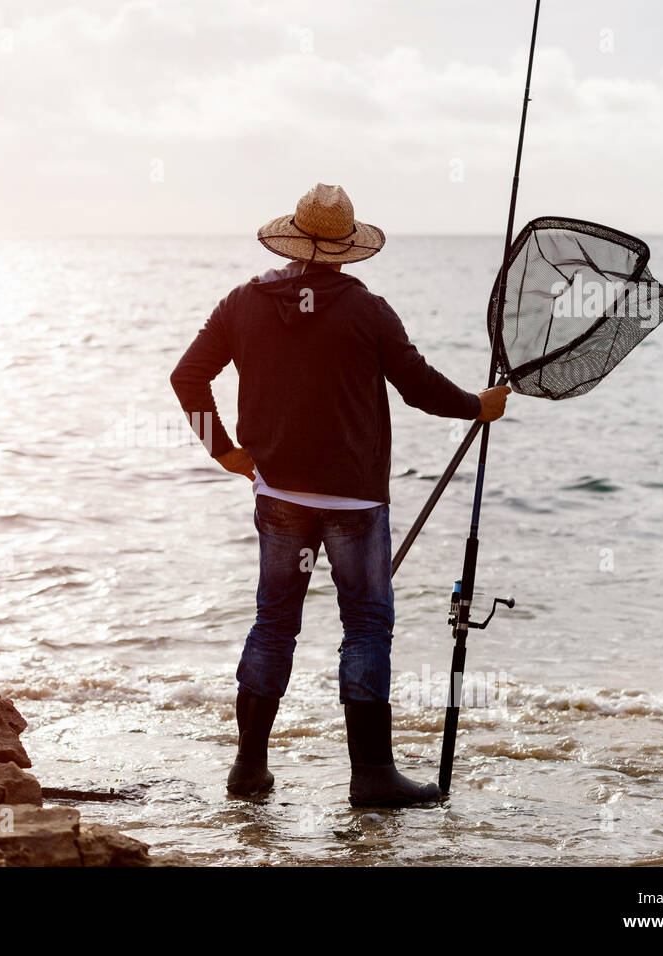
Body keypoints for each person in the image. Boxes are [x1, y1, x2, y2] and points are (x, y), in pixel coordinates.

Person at [169, 183, 510, 807]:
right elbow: (417, 387)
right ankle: (371, 776)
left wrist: (223, 450)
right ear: (348, 248)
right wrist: (477, 407)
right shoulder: (366, 309)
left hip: (278, 496)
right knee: (367, 625)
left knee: (274, 624)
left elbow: (186, 377)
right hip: (353, 503)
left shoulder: (243, 302)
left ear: (294, 240)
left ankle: (248, 770)